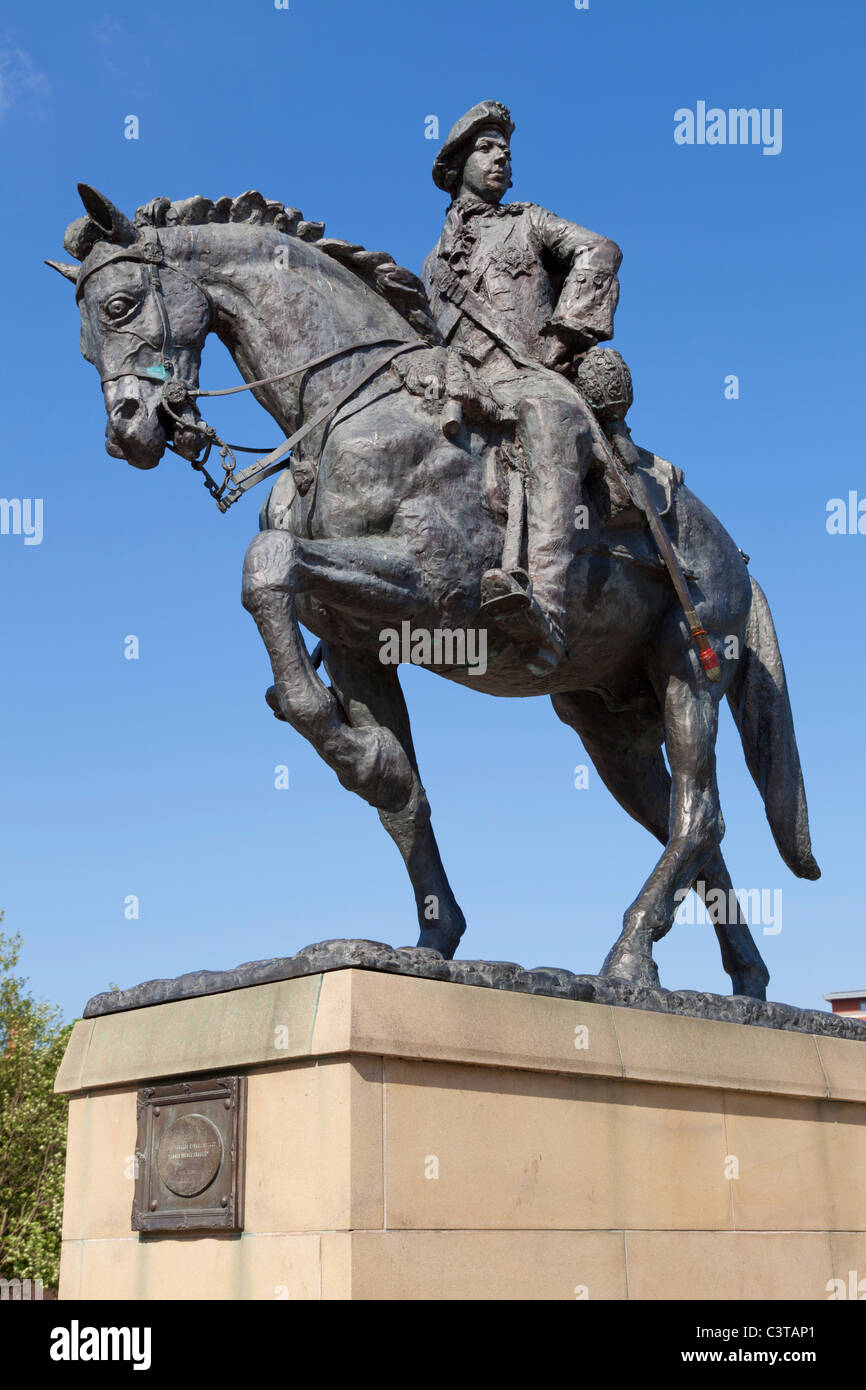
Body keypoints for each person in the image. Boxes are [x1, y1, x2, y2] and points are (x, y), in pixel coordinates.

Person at [421, 100, 622, 673]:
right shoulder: (432, 266)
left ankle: (550, 614)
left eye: (504, 148)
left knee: (548, 414)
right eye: (485, 147)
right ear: (457, 165)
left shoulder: (528, 220)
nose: (501, 155)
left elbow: (600, 249)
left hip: (529, 376)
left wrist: (564, 335)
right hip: (468, 385)